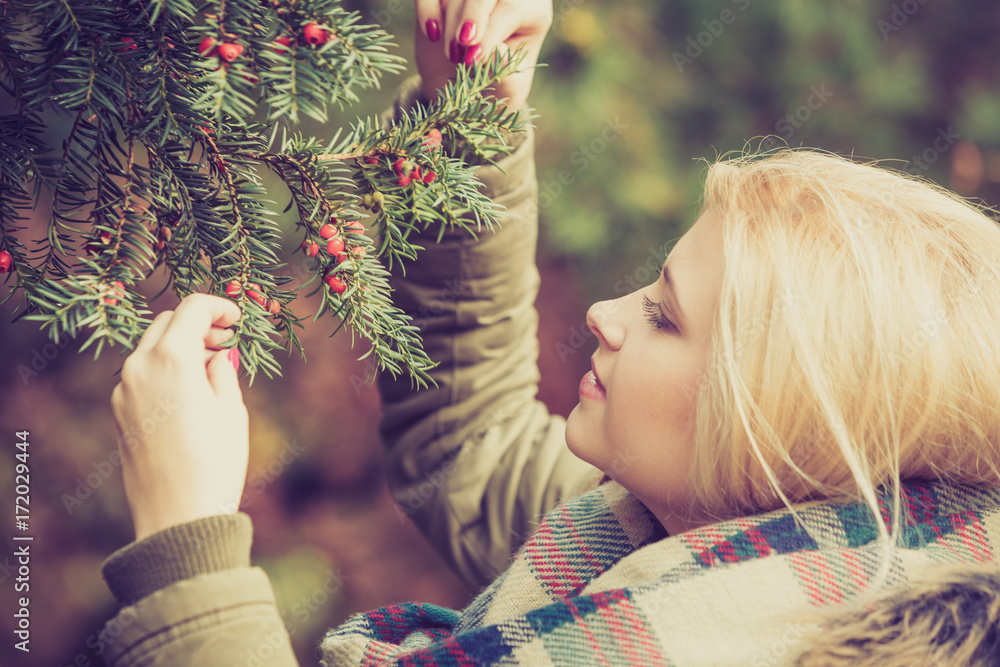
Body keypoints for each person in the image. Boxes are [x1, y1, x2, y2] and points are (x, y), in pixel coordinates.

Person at [98, 1, 1000, 665]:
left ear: (772, 426)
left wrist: (189, 545)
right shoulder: (739, 528)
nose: (607, 316)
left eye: (665, 317)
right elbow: (469, 449)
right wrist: (468, 130)